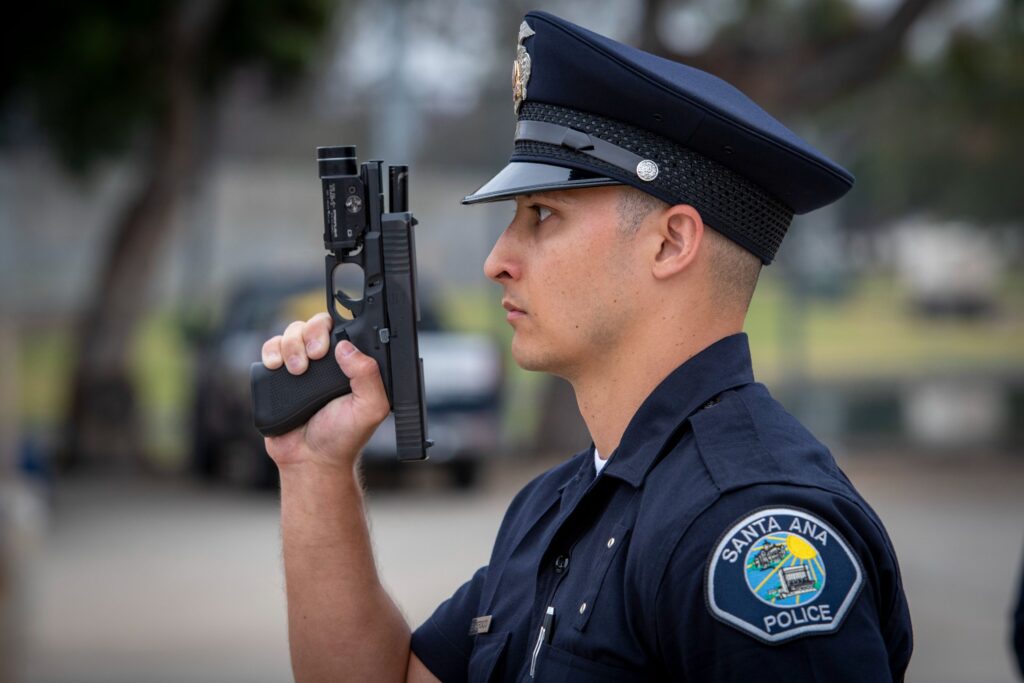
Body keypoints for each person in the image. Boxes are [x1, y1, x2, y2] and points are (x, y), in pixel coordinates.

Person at [258, 11, 912, 682]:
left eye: (542, 214)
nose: (497, 260)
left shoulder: (750, 530)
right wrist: (316, 469)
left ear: (670, 242)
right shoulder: (557, 505)